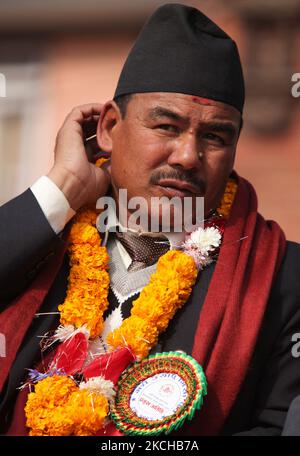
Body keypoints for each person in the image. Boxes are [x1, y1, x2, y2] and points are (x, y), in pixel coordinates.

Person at [1, 3, 300, 436]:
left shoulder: (279, 278)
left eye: (215, 136)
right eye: (166, 126)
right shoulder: (43, 241)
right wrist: (62, 185)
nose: (187, 156)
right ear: (108, 127)